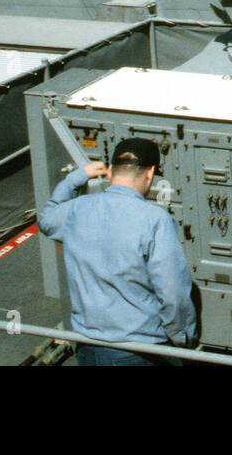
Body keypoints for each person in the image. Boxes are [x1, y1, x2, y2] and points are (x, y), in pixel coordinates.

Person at [39, 138, 197, 366]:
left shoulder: (77, 209)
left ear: (111, 171)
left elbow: (46, 220)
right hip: (139, 351)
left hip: (87, 346)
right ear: (150, 173)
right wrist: (183, 339)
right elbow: (172, 291)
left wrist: (77, 177)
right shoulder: (155, 220)